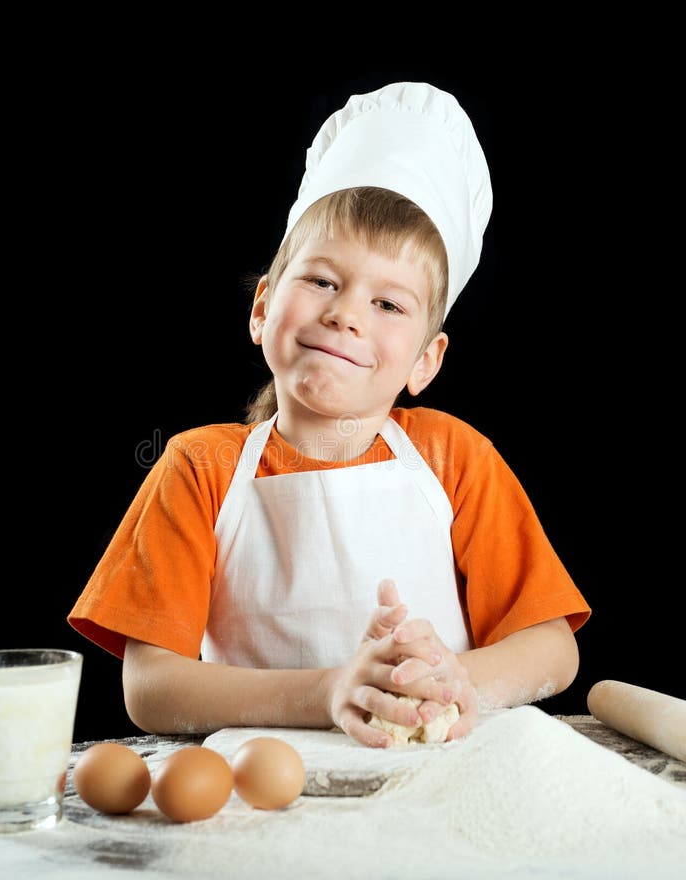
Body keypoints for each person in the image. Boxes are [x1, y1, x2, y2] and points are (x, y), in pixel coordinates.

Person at [68, 82, 590, 748]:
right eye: (321, 280)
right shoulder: (200, 467)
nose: (345, 314)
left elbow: (551, 649)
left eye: (389, 305)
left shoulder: (456, 458)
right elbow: (151, 690)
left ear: (426, 361)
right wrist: (332, 691)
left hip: (442, 781)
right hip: (267, 795)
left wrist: (452, 680)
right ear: (262, 308)